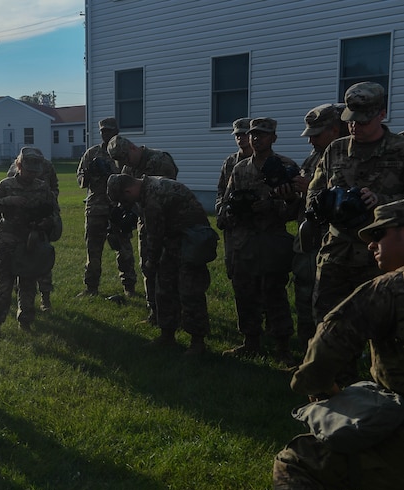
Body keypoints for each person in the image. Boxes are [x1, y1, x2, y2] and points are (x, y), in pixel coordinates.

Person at [272, 198, 404, 490]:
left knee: (296, 463)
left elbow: (327, 345)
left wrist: (320, 387)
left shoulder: (389, 289)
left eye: (380, 233)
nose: (370, 244)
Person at [308, 82, 404, 327]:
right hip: (337, 251)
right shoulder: (335, 150)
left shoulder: (399, 151)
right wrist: (322, 202)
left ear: (381, 114)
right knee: (327, 320)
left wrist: (380, 202)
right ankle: (327, 366)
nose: (354, 126)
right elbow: (314, 191)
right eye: (350, 120)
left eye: (362, 121)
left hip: (382, 256)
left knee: (381, 325)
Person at [218, 117, 300, 364]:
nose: (255, 138)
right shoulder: (240, 168)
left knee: (274, 294)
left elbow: (296, 208)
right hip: (244, 241)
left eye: (262, 134)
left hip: (272, 239)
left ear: (273, 138)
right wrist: (234, 211)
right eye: (253, 134)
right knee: (244, 293)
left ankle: (282, 347)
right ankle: (250, 341)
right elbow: (228, 199)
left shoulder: (286, 166)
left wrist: (273, 205)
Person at [107, 172, 214, 355]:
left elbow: (154, 236)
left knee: (190, 292)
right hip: (173, 241)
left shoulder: (153, 196)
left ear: (128, 190)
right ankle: (167, 335)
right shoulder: (147, 188)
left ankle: (198, 342)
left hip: (190, 241)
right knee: (164, 287)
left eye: (124, 200)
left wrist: (151, 262)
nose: (126, 205)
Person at [0, 147, 61, 336]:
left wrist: (47, 221)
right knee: (3, 286)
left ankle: (25, 323)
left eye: (35, 170)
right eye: (28, 169)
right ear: (19, 166)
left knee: (28, 286)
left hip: (31, 241)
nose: (32, 174)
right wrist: (8, 201)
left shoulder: (42, 187)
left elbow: (54, 212)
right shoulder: (6, 186)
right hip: (7, 239)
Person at [291, 103, 347, 350]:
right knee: (305, 296)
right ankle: (308, 354)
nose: (310, 141)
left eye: (315, 135)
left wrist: (316, 191)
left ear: (334, 131)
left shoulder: (351, 157)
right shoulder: (314, 158)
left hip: (341, 245)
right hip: (310, 242)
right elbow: (301, 205)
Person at [108, 134, 178, 325]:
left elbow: (166, 194)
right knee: (147, 265)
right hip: (145, 223)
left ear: (132, 148)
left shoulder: (159, 160)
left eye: (124, 157)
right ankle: (154, 312)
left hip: (165, 224)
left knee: (167, 268)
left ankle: (173, 312)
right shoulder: (128, 167)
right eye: (120, 160)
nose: (124, 163)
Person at [75, 117, 136, 301]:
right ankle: (91, 287)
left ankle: (129, 286)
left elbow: (133, 180)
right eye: (103, 131)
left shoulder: (125, 152)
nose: (105, 134)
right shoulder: (92, 153)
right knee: (93, 250)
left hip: (118, 209)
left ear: (116, 131)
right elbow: (80, 180)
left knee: (124, 249)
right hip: (96, 208)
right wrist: (89, 174)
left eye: (109, 131)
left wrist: (113, 175)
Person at [7, 147, 59, 311]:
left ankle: (45, 298)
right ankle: (23, 297)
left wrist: (48, 207)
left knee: (43, 259)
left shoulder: (48, 166)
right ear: (21, 164)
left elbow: (54, 186)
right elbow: (10, 188)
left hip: (41, 220)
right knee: (20, 259)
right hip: (21, 224)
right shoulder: (13, 169)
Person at [215, 117, 252, 279]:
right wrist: (221, 210)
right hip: (233, 224)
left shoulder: (262, 161)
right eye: (237, 135)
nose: (240, 138)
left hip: (254, 224)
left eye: (244, 134)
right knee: (234, 266)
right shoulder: (230, 162)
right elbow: (221, 190)